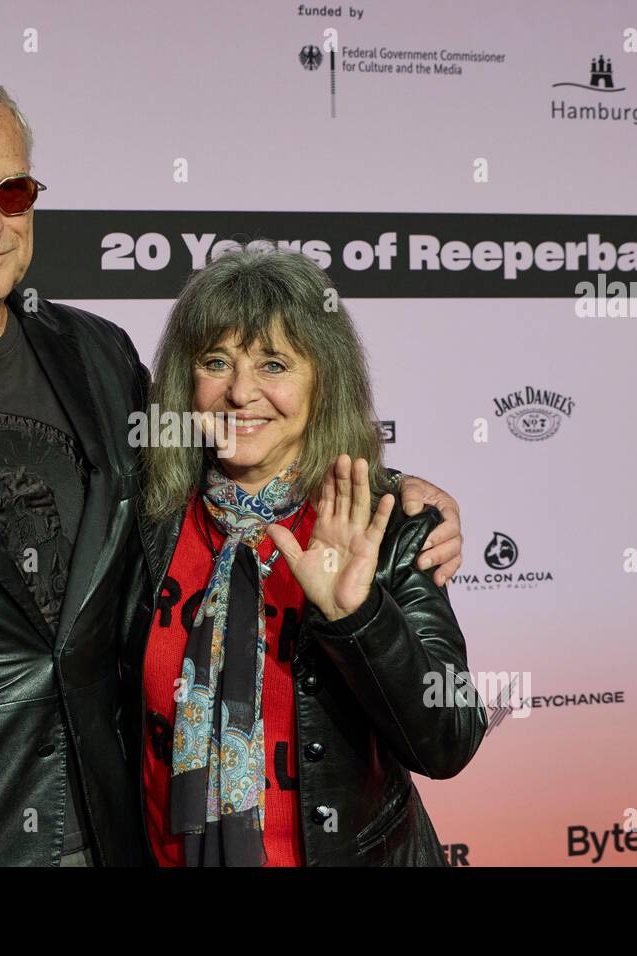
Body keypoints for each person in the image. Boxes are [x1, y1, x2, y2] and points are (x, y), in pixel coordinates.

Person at [0, 63, 465, 866]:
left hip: (115, 834)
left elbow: (227, 462)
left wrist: (401, 495)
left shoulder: (99, 357)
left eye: (13, 192)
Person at [120, 246, 487, 866]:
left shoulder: (386, 526)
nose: (241, 392)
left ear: (325, 383)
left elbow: (448, 741)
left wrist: (359, 618)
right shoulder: (144, 518)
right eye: (216, 362)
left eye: (274, 364)